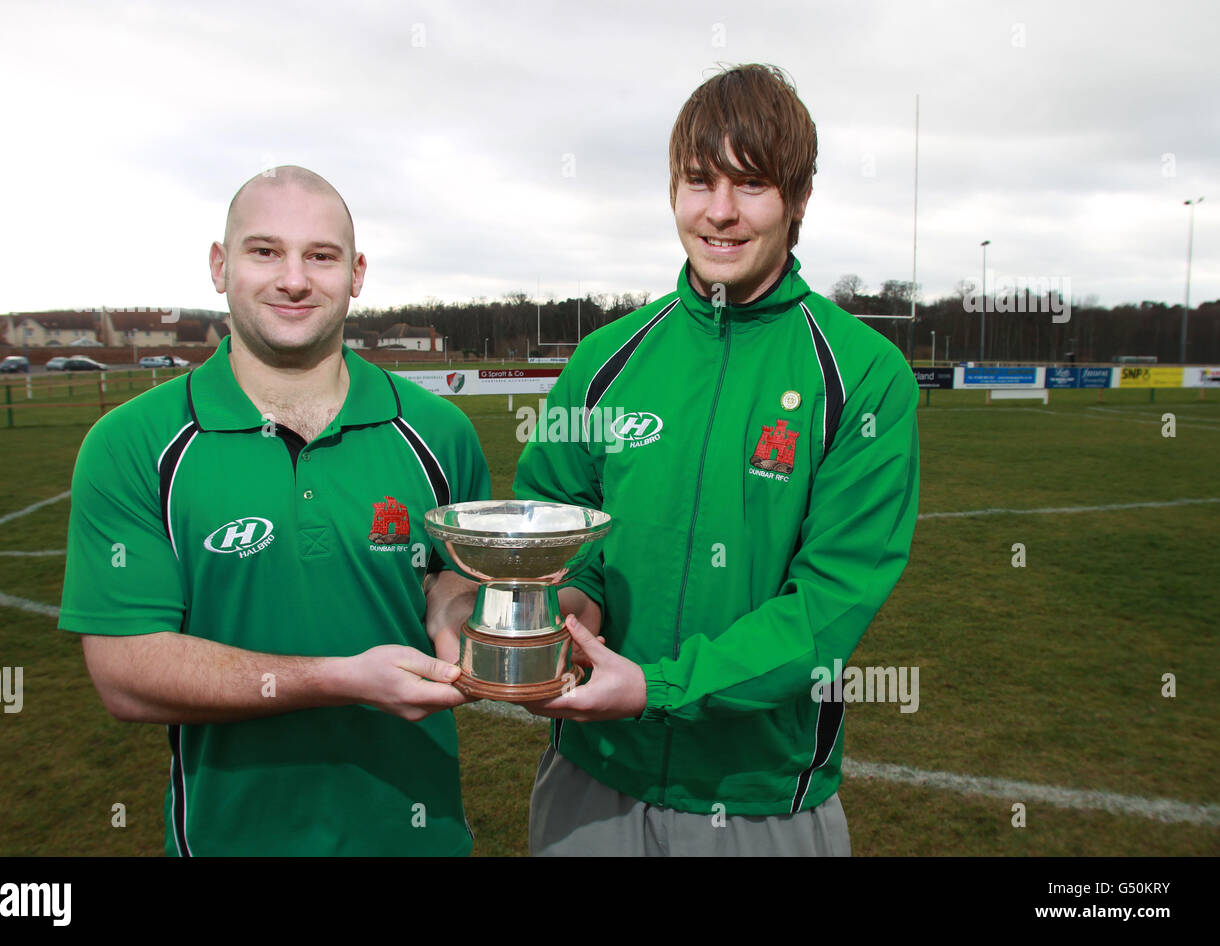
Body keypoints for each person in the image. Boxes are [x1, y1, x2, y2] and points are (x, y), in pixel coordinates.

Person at [514, 64, 920, 856]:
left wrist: (658, 689)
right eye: (699, 181)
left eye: (753, 184)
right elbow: (562, 530)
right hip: (589, 783)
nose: (721, 212)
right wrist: (573, 602)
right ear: (672, 190)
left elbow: (827, 610)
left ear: (798, 201)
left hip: (761, 801)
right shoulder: (603, 361)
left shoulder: (865, 376)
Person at [58, 166, 488, 856]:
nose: (294, 279)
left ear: (357, 274)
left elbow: (453, 579)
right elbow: (124, 673)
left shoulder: (440, 433)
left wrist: (453, 610)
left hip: (419, 837)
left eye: (321, 255)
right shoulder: (132, 444)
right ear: (219, 265)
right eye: (265, 252)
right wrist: (338, 679)